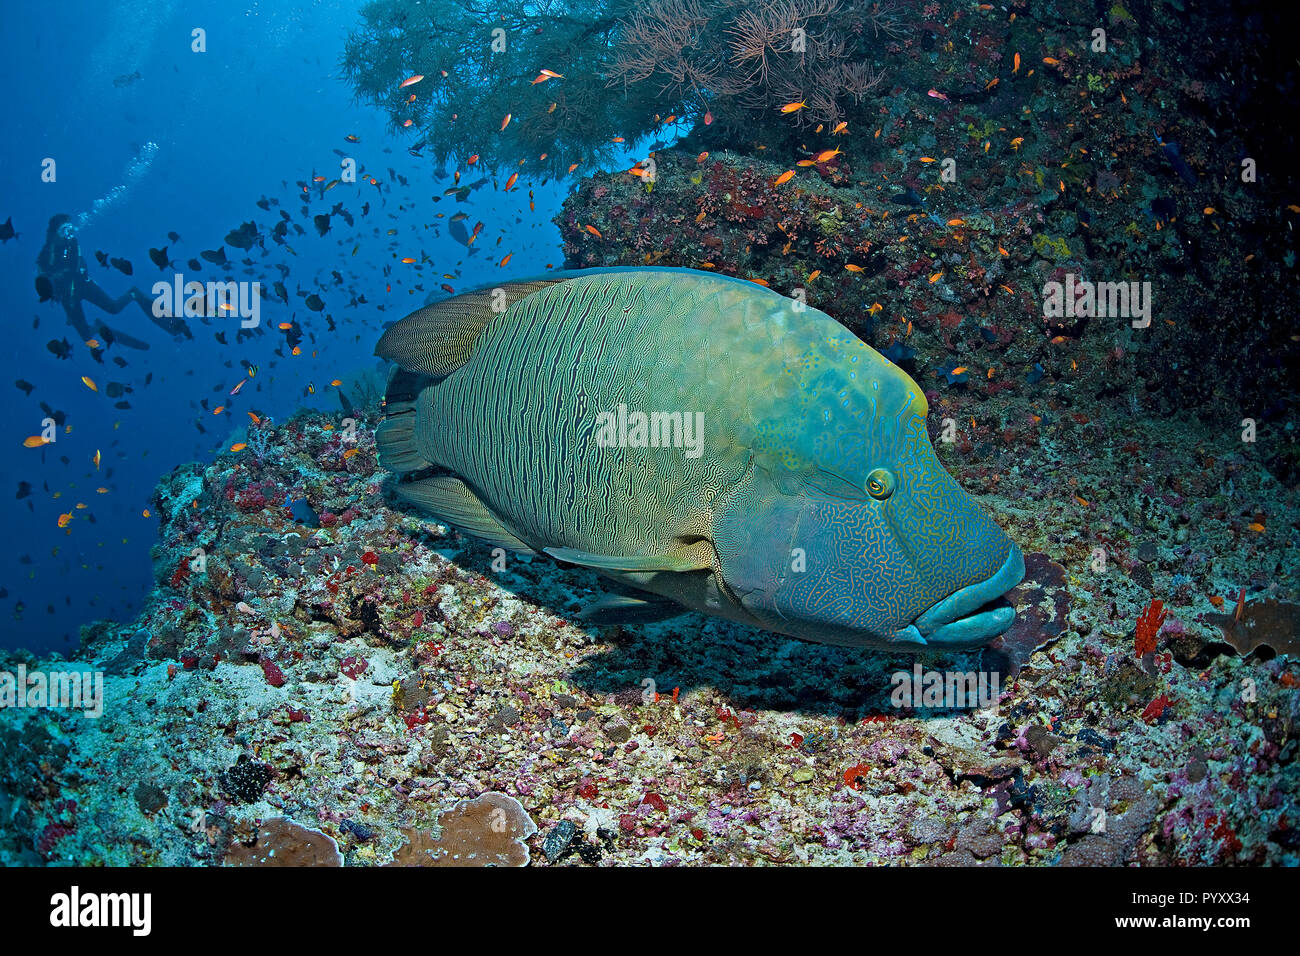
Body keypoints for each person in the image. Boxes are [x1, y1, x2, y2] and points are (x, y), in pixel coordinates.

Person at [35, 213, 191, 350]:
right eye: (63, 230)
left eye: (68, 229)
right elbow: (42, 281)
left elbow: (77, 267)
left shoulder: (72, 242)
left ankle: (134, 294)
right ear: (52, 232)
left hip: (83, 285)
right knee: (87, 338)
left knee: (114, 308)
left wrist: (60, 277)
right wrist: (55, 292)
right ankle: (99, 327)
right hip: (66, 296)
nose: (66, 233)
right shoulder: (45, 254)